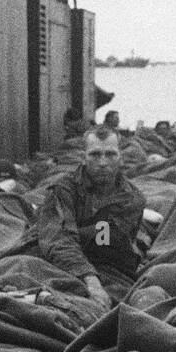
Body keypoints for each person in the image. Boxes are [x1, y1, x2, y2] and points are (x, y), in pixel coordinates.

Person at [36, 128, 147, 309]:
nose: (103, 162)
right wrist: (91, 280)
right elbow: (58, 240)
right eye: (95, 154)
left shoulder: (132, 199)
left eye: (110, 154)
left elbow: (109, 242)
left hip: (108, 269)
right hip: (58, 264)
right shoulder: (64, 189)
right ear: (83, 157)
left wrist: (81, 234)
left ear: (121, 157)